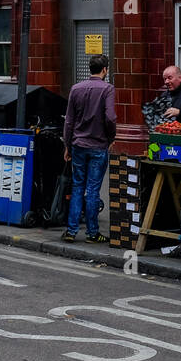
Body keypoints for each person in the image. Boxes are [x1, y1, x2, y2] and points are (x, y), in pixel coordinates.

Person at [62, 53, 117, 244]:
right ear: (105, 70)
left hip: (78, 144)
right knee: (93, 189)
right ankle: (93, 233)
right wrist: (111, 137)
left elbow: (69, 121)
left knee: (78, 186)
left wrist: (67, 145)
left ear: (90, 69)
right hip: (98, 145)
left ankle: (71, 231)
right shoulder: (108, 89)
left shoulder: (76, 89)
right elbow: (110, 117)